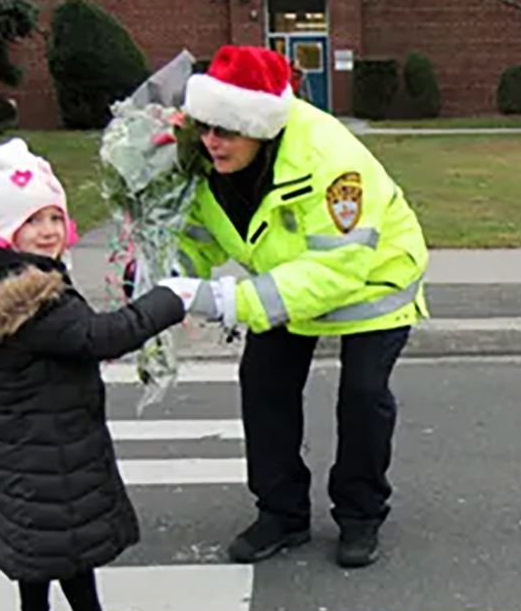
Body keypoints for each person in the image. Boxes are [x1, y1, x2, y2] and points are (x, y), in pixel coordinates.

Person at [159, 45, 429, 568]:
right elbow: (203, 234)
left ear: (260, 128)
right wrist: (164, 271)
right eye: (206, 128)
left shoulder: (331, 164)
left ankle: (360, 514)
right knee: (264, 384)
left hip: (373, 280)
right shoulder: (206, 157)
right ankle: (281, 514)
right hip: (288, 281)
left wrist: (229, 301)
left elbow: (336, 271)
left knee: (363, 396)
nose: (212, 142)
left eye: (225, 131)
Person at [0, 139, 188, 611]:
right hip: (54, 439)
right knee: (68, 538)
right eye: (33, 221)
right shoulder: (32, 297)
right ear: (6, 229)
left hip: (24, 439)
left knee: (35, 536)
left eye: (54, 217)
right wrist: (169, 300)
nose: (47, 231)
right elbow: (100, 336)